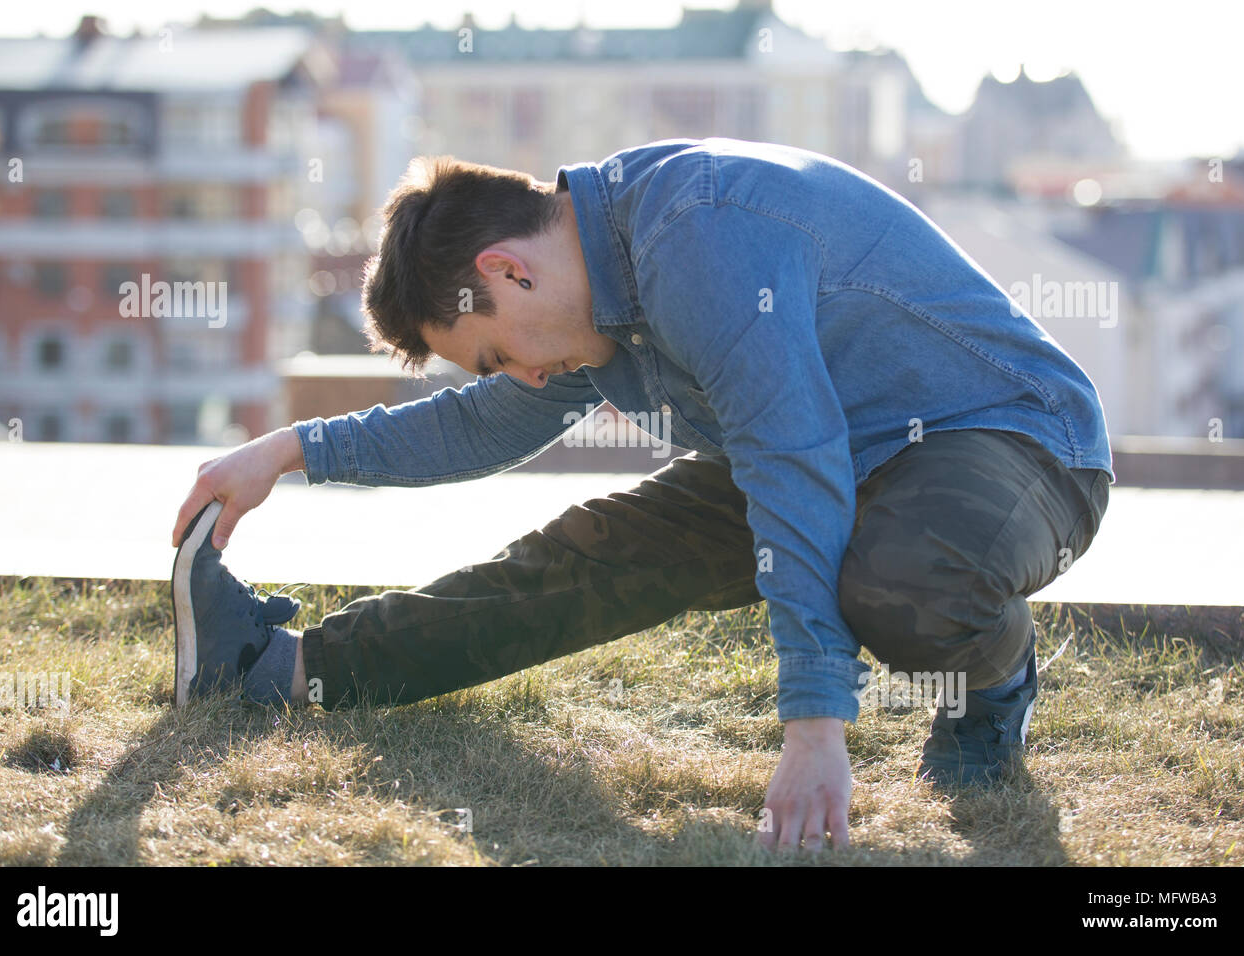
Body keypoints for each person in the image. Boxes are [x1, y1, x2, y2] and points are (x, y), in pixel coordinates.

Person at [171, 137, 1112, 854]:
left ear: (505, 269)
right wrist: (289, 451)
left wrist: (814, 724)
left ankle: (995, 681)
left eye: (498, 354)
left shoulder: (693, 237)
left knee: (899, 581)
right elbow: (474, 427)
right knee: (595, 553)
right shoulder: (591, 299)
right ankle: (281, 668)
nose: (520, 379)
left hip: (1018, 444)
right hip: (838, 458)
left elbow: (795, 460)